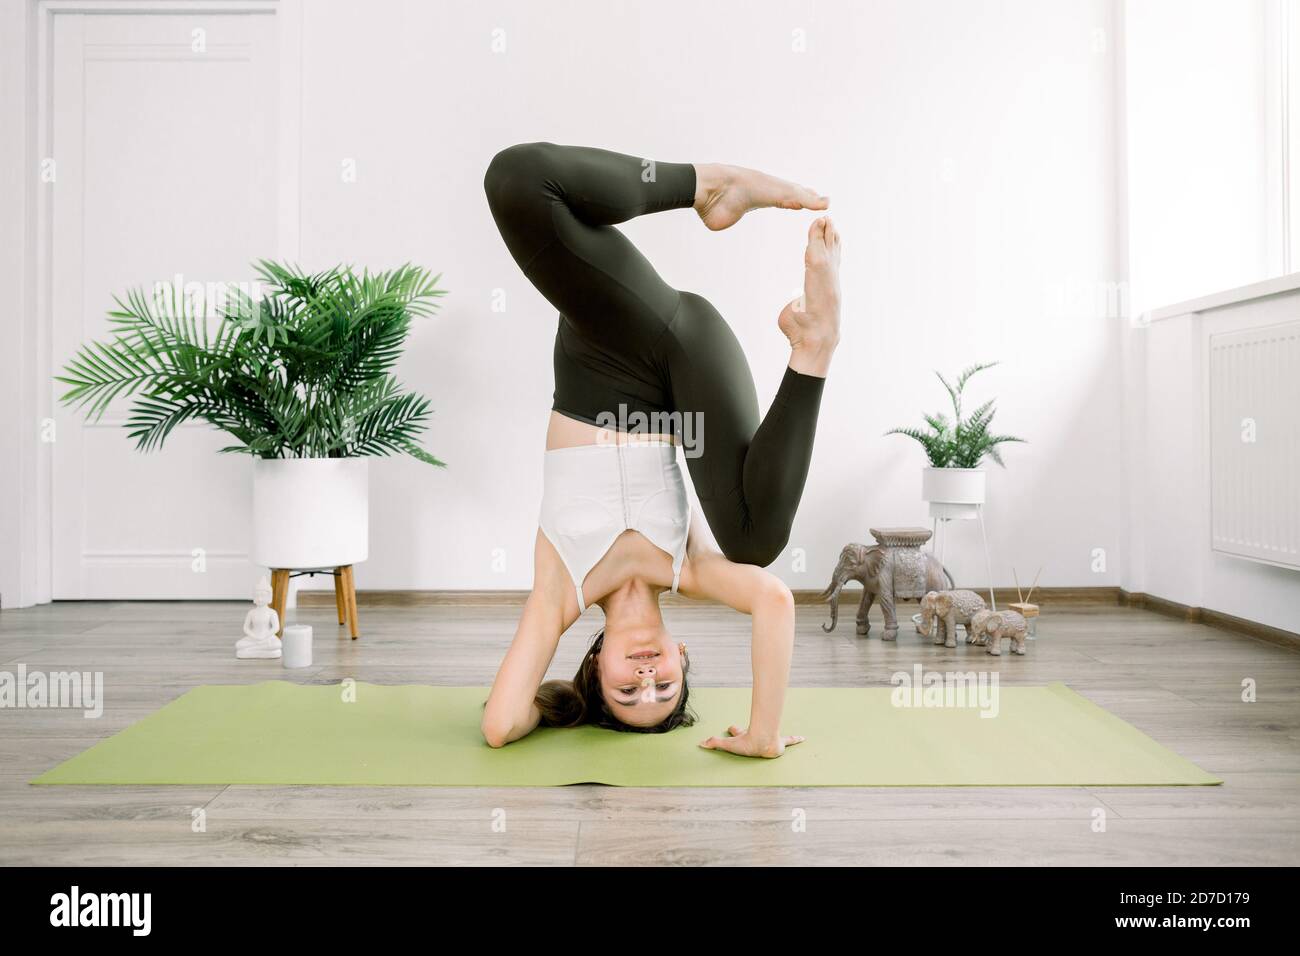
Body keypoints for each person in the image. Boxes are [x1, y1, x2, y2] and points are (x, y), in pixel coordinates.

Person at [481, 143, 841, 758]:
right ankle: (813, 348)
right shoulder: (690, 570)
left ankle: (706, 185)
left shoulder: (562, 591)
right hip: (689, 366)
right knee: (756, 545)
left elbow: (500, 725)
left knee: (517, 182)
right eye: (666, 687)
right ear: (682, 654)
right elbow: (774, 602)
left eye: (627, 695)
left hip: (606, 348)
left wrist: (552, 705)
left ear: (594, 672)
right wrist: (762, 734)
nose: (647, 680)